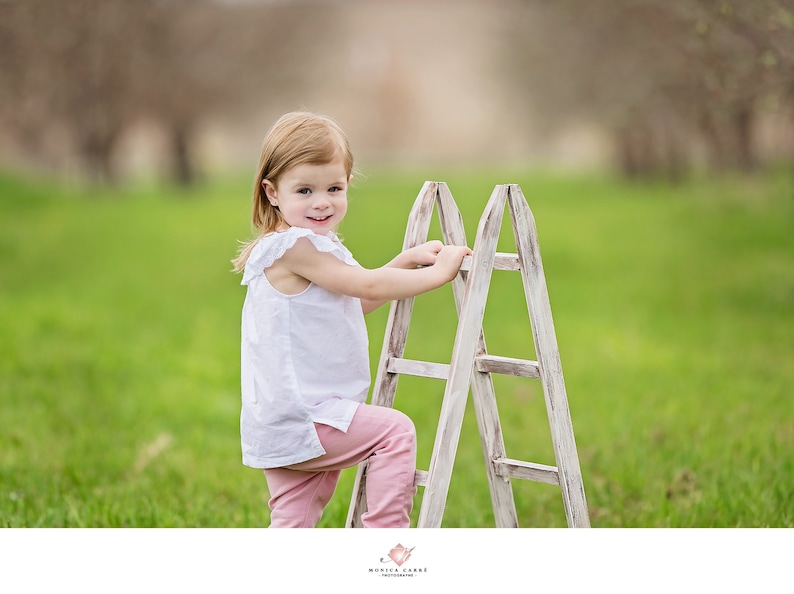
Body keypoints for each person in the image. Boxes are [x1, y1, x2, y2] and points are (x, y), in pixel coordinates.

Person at [231, 111, 471, 528]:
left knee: (295, 520)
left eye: (334, 188)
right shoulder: (295, 247)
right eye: (304, 189)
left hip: (284, 419)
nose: (322, 201)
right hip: (307, 416)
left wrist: (404, 262)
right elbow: (368, 288)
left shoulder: (306, 248)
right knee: (394, 433)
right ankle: (384, 543)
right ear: (272, 192)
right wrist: (438, 274)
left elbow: (346, 307)